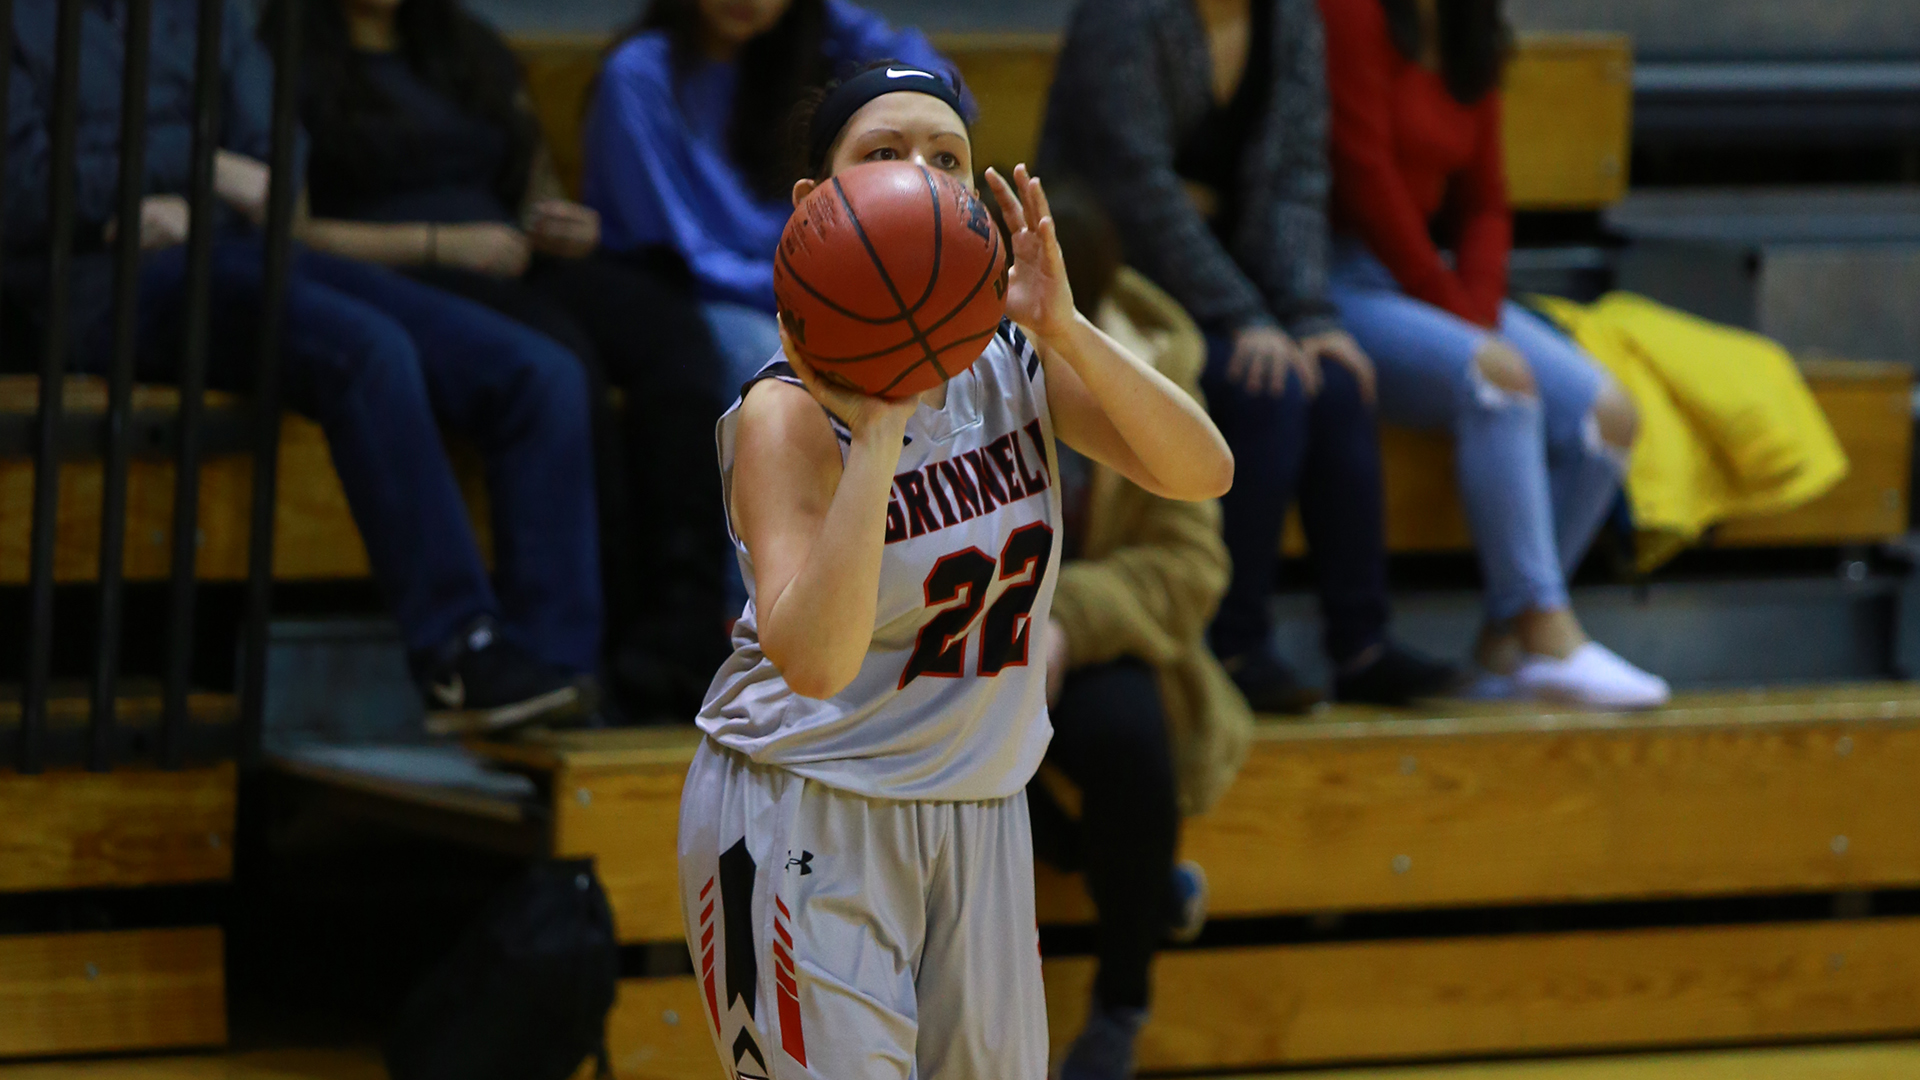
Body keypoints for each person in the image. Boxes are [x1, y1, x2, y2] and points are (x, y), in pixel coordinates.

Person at [676, 65, 1232, 1080]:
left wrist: (1064, 323)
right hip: (807, 805)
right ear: (816, 205)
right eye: (882, 154)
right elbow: (813, 659)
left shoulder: (1013, 356)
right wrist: (882, 423)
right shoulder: (787, 414)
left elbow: (1202, 471)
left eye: (947, 160)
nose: (919, 175)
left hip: (979, 810)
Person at [5, 0, 602, 733]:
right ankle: (459, 652)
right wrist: (206, 168)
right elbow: (22, 188)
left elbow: (277, 169)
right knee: (366, 348)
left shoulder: (206, 17)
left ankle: (552, 676)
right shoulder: (25, 21)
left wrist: (200, 194)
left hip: (238, 250)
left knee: (539, 372)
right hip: (100, 282)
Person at [264, 0, 736, 716]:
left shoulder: (468, 49)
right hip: (390, 271)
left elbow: (531, 182)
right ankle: (597, 662)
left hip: (508, 255)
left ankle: (684, 631)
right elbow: (288, 236)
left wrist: (556, 224)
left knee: (671, 335)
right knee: (562, 360)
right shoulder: (282, 54)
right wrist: (437, 243)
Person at [1040, 0, 1457, 712]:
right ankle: (1230, 643)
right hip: (1112, 281)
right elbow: (1137, 191)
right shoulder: (1123, 15)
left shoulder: (1291, 17)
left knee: (1334, 377)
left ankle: (1362, 644)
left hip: (1239, 278)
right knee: (1267, 387)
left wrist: (1305, 315)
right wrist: (1246, 316)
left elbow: (1294, 180)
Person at [1320, 0, 1667, 706]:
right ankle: (1546, 626)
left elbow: (1486, 201)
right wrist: (1459, 316)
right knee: (1497, 378)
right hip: (1341, 277)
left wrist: (1474, 306)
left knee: (1609, 415)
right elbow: (1364, 175)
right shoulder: (1352, 13)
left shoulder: (1470, 29)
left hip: (1436, 285)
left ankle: (1505, 646)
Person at [1022, 181, 1255, 1080]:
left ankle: (1122, 1000)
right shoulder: (947, 355)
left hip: (1094, 638)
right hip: (967, 634)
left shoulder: (1147, 363)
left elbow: (1192, 566)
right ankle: (1137, 874)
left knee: (1126, 742)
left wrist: (1064, 624)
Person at [581, 0, 966, 404]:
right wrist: (816, 292)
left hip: (801, 289)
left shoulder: (797, 61)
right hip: (692, 297)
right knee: (774, 359)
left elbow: (941, 90)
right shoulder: (638, 73)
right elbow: (678, 254)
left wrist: (821, 10)